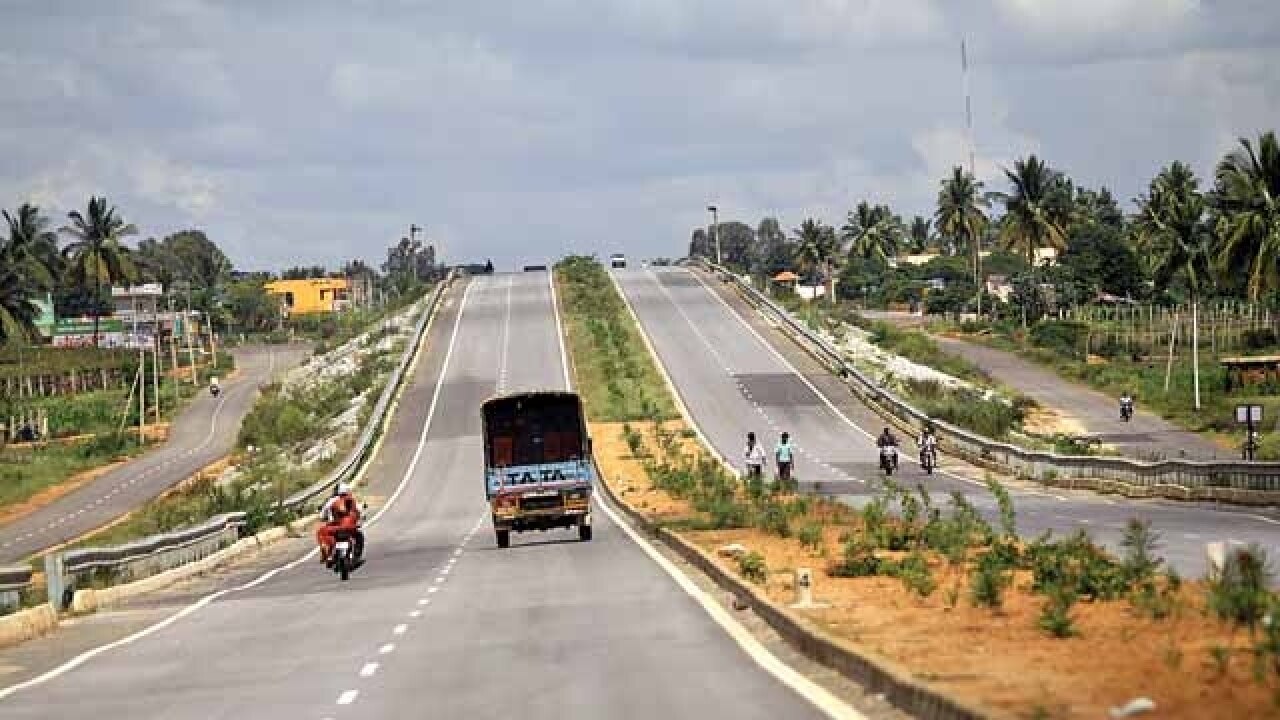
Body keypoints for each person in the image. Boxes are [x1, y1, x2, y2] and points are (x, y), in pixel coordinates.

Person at [317, 482, 363, 565]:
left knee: (322, 534)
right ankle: (355, 556)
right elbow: (359, 510)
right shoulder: (351, 499)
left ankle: (326, 554)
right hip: (350, 527)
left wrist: (324, 517)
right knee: (359, 536)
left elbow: (322, 515)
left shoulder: (331, 501)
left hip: (336, 527)